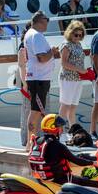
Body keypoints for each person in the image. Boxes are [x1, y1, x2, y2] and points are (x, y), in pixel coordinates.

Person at [28, 113, 96, 183]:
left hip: (43, 179)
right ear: (53, 127)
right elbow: (77, 161)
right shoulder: (57, 145)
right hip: (60, 180)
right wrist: (93, 163)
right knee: (94, 183)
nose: (62, 130)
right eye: (60, 127)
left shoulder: (37, 142)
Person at [24, 11, 60, 143]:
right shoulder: (37, 36)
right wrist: (53, 51)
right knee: (36, 111)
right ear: (40, 20)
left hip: (37, 78)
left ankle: (30, 142)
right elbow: (42, 58)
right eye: (47, 20)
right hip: (39, 78)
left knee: (36, 110)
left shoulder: (30, 34)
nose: (48, 23)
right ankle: (30, 143)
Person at [57, 20, 89, 129]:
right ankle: (58, 131)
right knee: (65, 105)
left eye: (80, 35)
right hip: (68, 78)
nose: (78, 37)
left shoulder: (78, 44)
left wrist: (83, 72)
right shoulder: (66, 45)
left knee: (73, 107)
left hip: (77, 79)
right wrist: (79, 69)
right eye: (76, 35)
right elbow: (64, 63)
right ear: (70, 33)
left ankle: (73, 130)